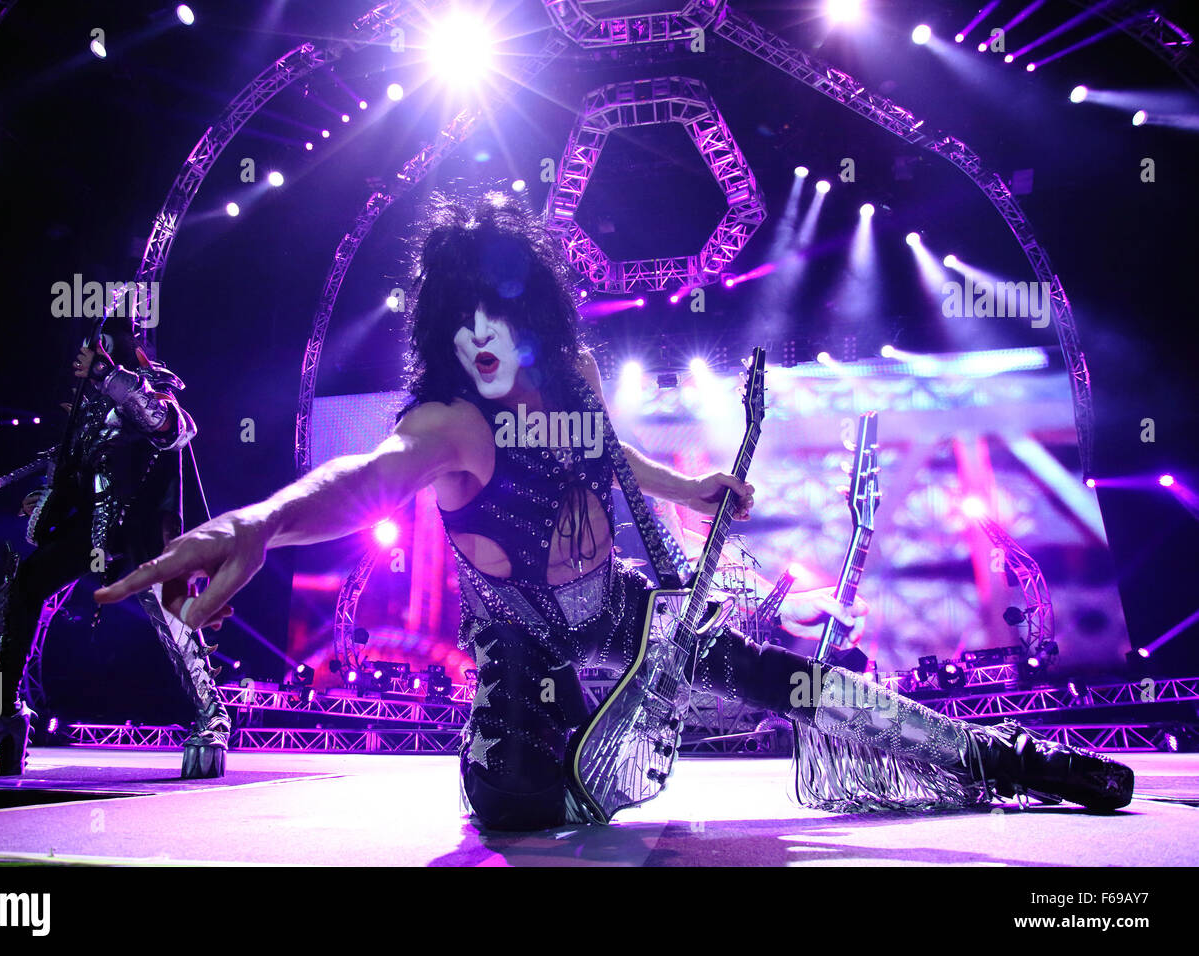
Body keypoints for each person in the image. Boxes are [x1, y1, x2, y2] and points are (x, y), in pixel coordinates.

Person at [94, 194, 1133, 828]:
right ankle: (544, 741)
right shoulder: (452, 422)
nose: (485, 343)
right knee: (515, 808)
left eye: (504, 319)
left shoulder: (571, 380)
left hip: (628, 615)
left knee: (814, 687)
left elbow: (608, 451)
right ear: (447, 333)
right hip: (528, 649)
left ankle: (1020, 762)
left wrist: (689, 489)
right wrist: (263, 522)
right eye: (465, 325)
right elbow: (371, 473)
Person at [0, 315, 231, 780]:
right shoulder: (84, 412)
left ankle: (213, 718)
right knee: (23, 585)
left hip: (139, 526)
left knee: (170, 612)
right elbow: (67, 469)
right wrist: (22, 495)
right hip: (90, 526)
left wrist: (109, 375)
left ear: (109, 347)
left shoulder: (148, 385)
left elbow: (171, 428)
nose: (79, 358)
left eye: (90, 348)